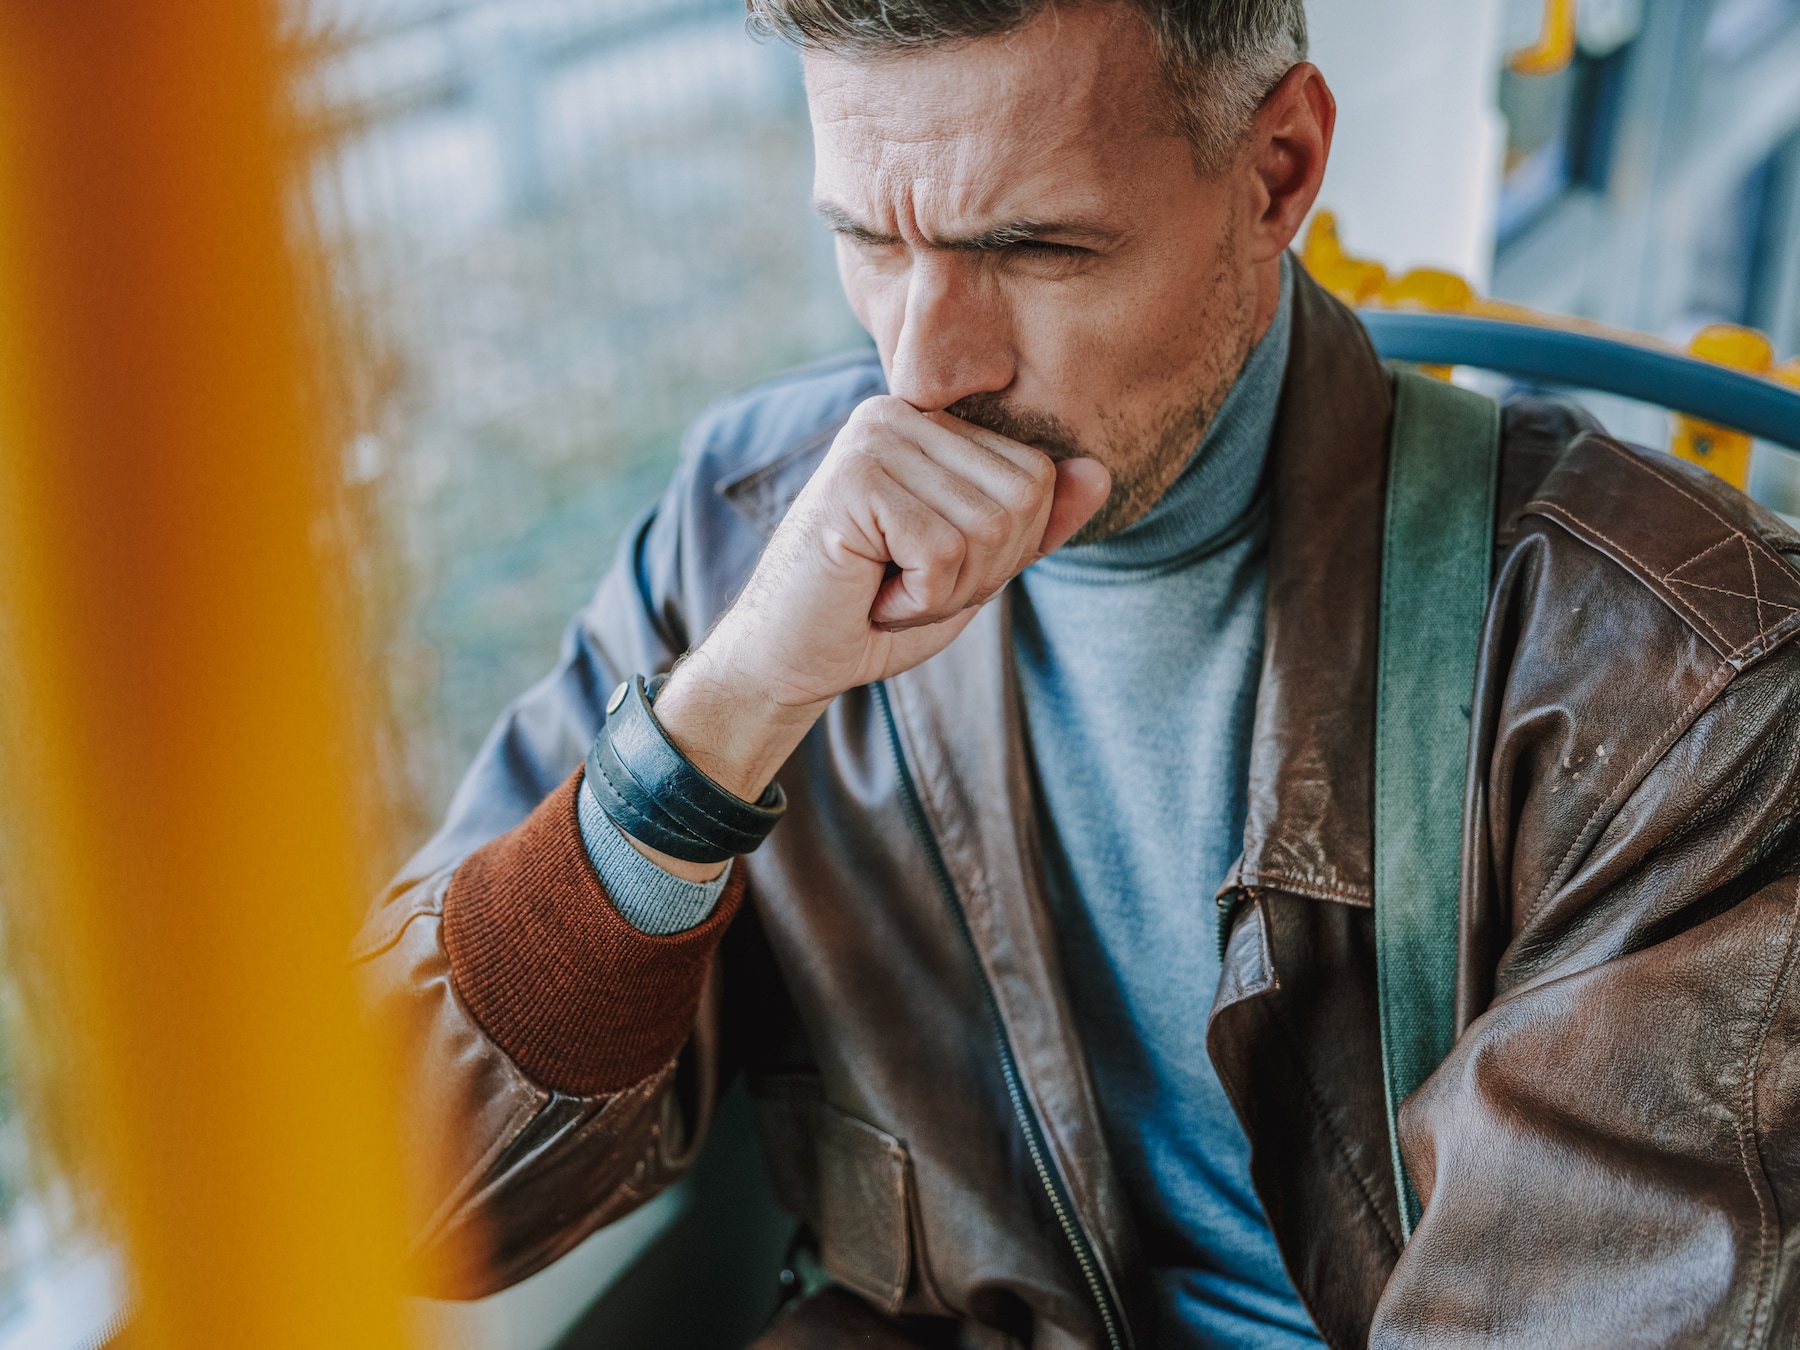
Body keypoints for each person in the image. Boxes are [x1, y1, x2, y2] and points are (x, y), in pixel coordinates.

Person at [355, 0, 1800, 1344]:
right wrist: (725, 714)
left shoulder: (1678, 687)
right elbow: (400, 1200)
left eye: (1035, 249)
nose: (922, 368)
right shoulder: (744, 532)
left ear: (1278, 172)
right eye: (866, 238)